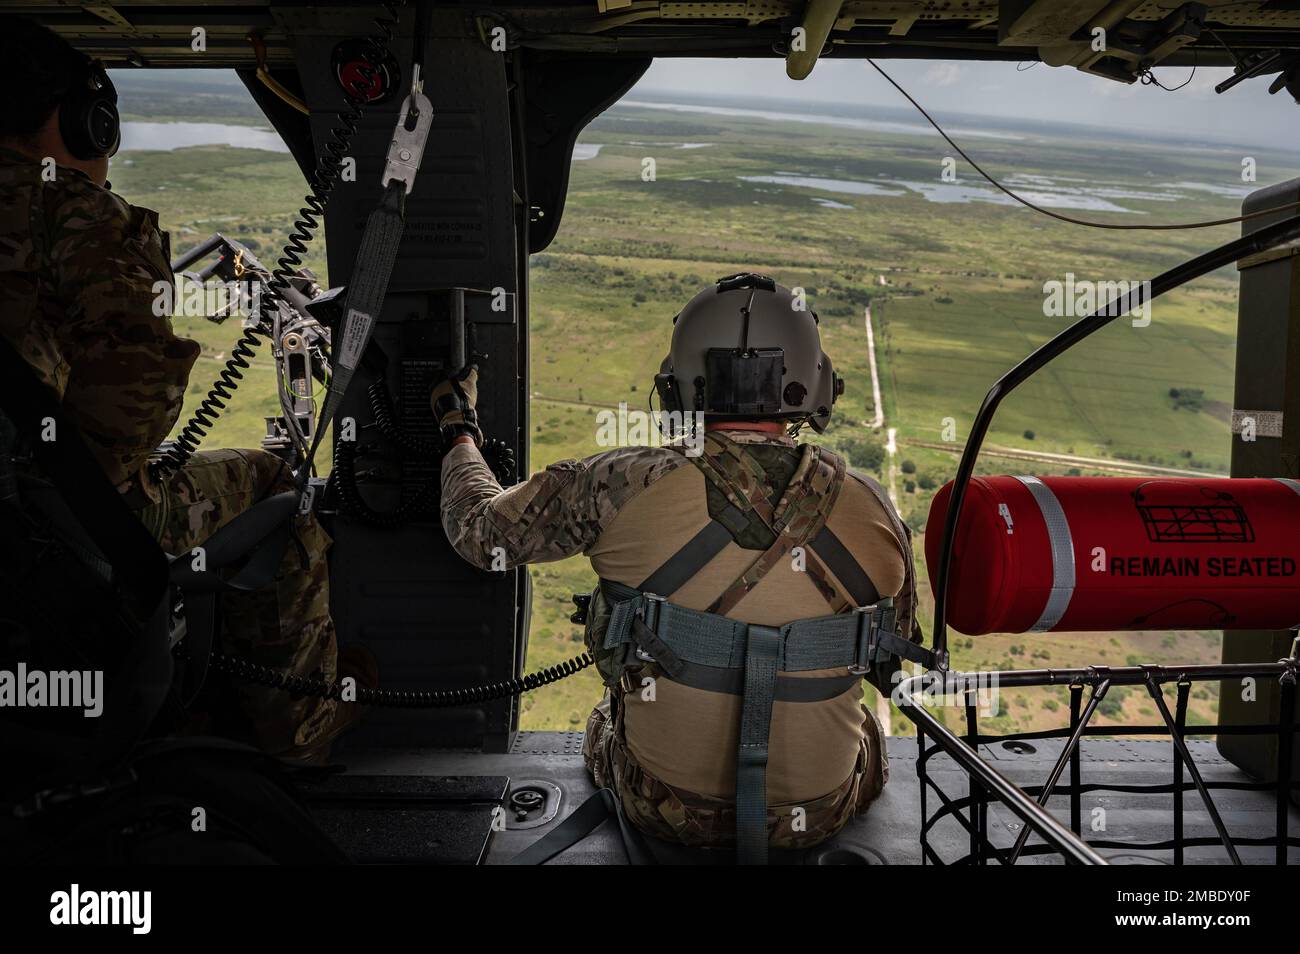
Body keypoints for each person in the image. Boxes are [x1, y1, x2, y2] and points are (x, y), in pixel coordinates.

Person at [434, 272, 926, 861]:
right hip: (816, 815)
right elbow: (895, 667)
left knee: (608, 714)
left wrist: (460, 429)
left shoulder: (617, 483)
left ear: (678, 386)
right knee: (863, 728)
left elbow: (479, 532)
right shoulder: (877, 509)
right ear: (816, 387)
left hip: (662, 806)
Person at [0, 15, 366, 762]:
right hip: (43, 518)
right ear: (83, 121)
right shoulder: (64, 208)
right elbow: (141, 385)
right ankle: (298, 737)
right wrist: (89, 480)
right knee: (278, 484)